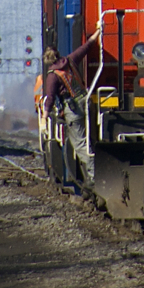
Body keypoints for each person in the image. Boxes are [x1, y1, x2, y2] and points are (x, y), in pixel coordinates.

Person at [42, 28, 101, 182]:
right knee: (93, 139)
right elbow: (86, 47)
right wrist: (97, 32)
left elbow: (50, 98)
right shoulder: (71, 60)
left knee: (80, 144)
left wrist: (44, 116)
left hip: (73, 109)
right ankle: (100, 167)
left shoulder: (52, 76)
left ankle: (96, 177)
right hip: (88, 103)